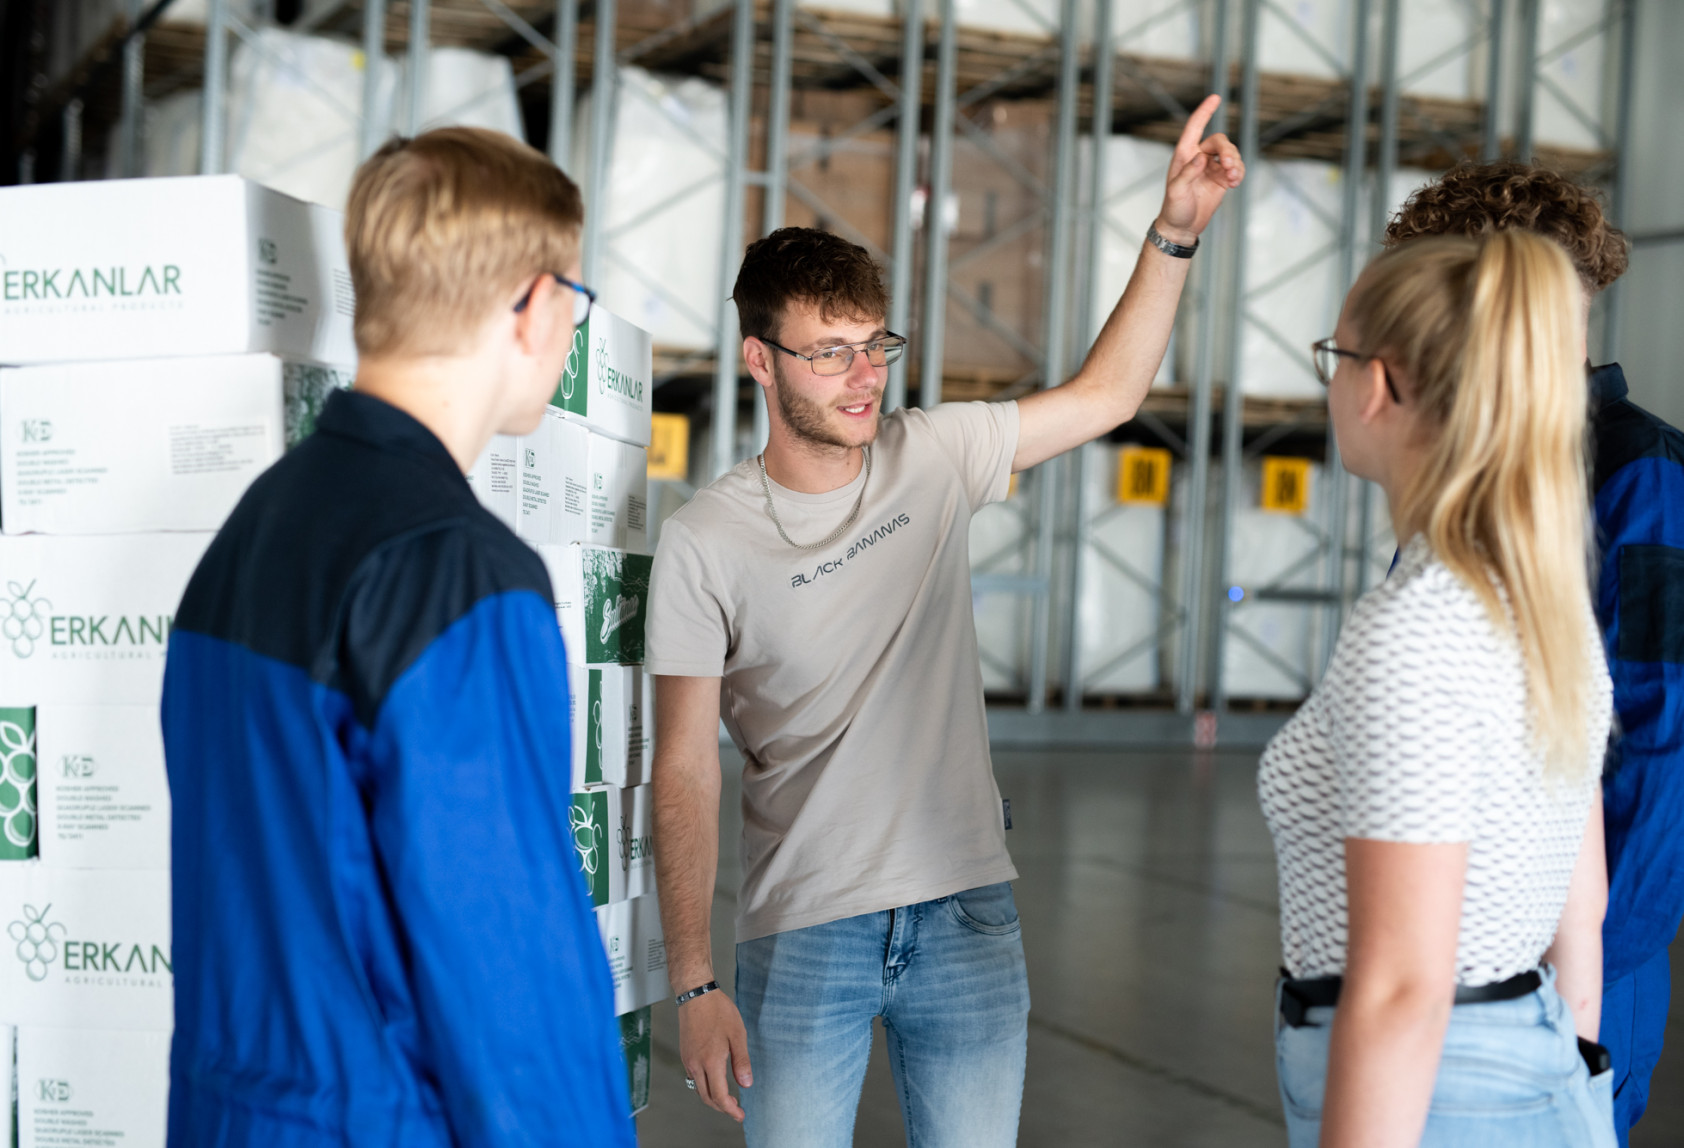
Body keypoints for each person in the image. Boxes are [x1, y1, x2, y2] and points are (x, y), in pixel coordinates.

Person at [645, 95, 1242, 1146]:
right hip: (805, 929)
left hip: (967, 911)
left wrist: (1176, 231)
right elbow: (684, 765)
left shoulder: (937, 452)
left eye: (874, 345)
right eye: (827, 352)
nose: (862, 375)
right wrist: (692, 979)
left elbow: (1106, 394)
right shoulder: (705, 538)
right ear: (759, 360)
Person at [160, 128, 635, 1147]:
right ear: (534, 302)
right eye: (574, 302)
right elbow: (509, 977)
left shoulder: (250, 534)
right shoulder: (453, 571)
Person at [1259, 230, 1616, 1146]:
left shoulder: (1418, 627)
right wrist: (1574, 1086)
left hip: (1437, 1092)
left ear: (1379, 383)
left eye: (1334, 358)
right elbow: (1581, 908)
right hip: (1527, 1064)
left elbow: (1402, 986)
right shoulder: (1538, 593)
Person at [1385, 162, 1684, 1147]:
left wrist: (1573, 989)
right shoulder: (1464, 476)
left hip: (1569, 965)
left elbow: (1658, 744)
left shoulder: (1639, 476)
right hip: (1453, 954)